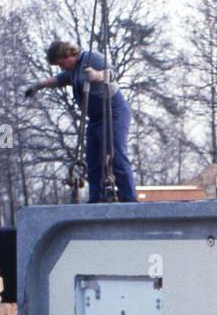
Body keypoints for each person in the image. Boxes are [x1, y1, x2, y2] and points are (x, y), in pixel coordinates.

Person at [24, 39, 137, 203]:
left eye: (62, 63)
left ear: (70, 55)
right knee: (92, 161)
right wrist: (38, 85)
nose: (62, 67)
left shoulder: (93, 58)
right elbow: (60, 79)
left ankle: (130, 200)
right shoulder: (73, 70)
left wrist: (98, 75)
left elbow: (113, 73)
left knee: (116, 156)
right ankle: (95, 200)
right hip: (95, 117)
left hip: (113, 112)